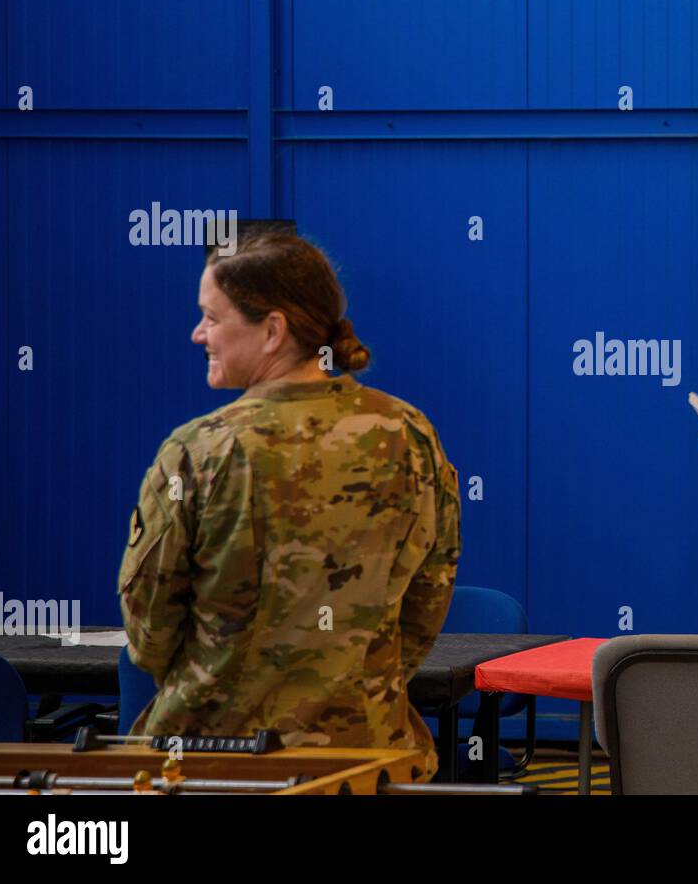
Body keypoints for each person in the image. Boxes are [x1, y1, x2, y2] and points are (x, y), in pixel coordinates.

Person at [118, 231, 459, 773]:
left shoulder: (200, 451)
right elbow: (427, 601)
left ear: (272, 330)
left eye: (212, 317)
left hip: (218, 763)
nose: (197, 333)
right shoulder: (408, 432)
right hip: (371, 759)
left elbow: (150, 631)